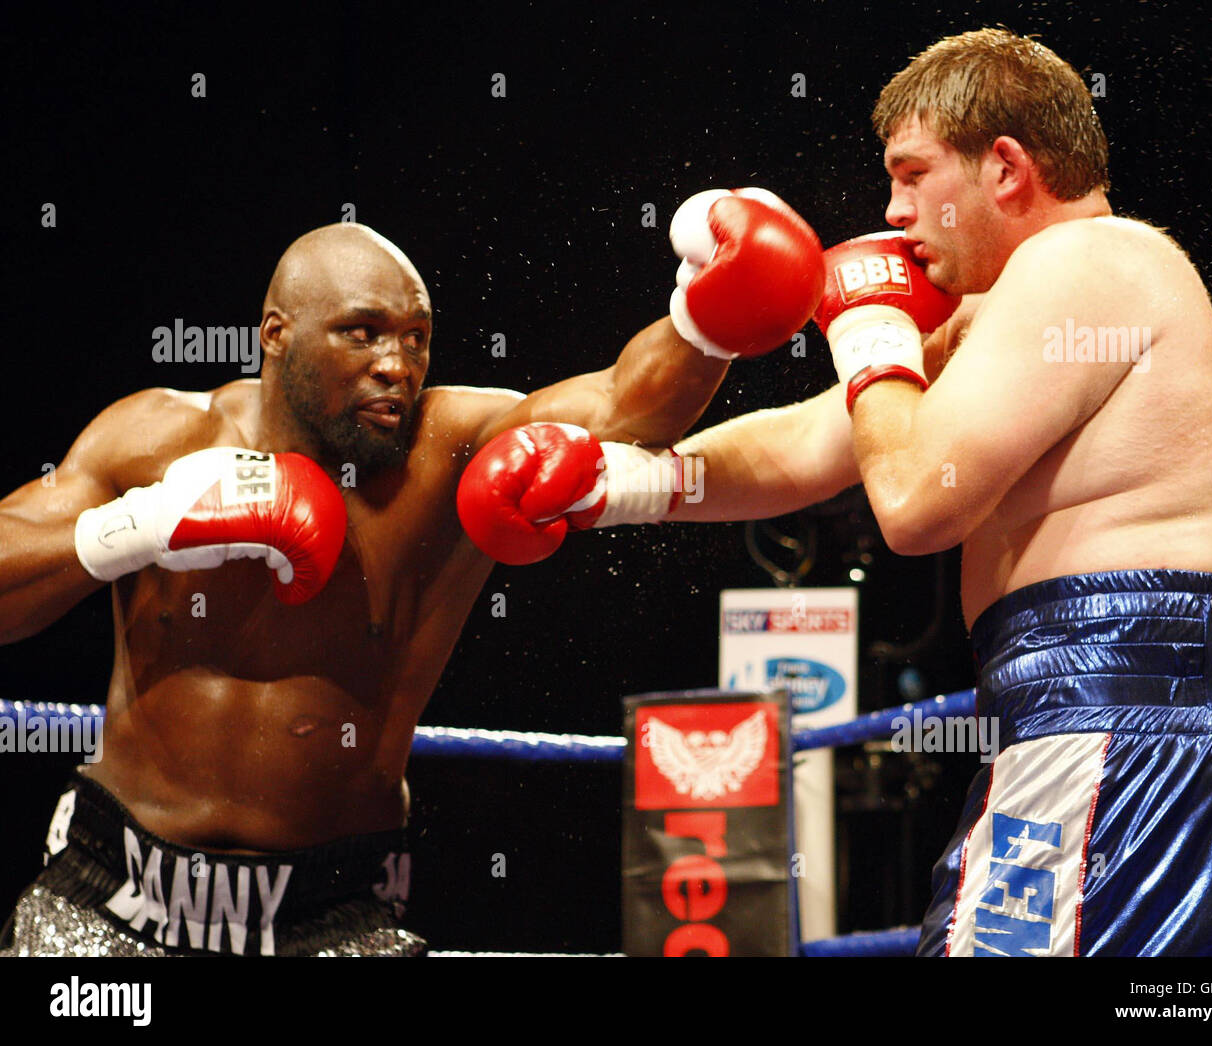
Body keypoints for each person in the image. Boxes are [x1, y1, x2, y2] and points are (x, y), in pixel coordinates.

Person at [470, 29, 1212, 956]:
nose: (894, 212)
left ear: (1006, 168)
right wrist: (624, 482)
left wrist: (868, 330)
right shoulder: (1047, 300)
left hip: (1117, 721)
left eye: (913, 175)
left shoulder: (1083, 263)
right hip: (1205, 725)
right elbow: (811, 442)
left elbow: (911, 503)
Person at [0, 191, 825, 956]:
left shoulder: (448, 449)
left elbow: (622, 404)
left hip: (330, 914)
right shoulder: (158, 439)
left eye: (416, 337)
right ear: (276, 334)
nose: (397, 363)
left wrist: (706, 321)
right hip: (111, 896)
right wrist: (136, 525)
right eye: (362, 333)